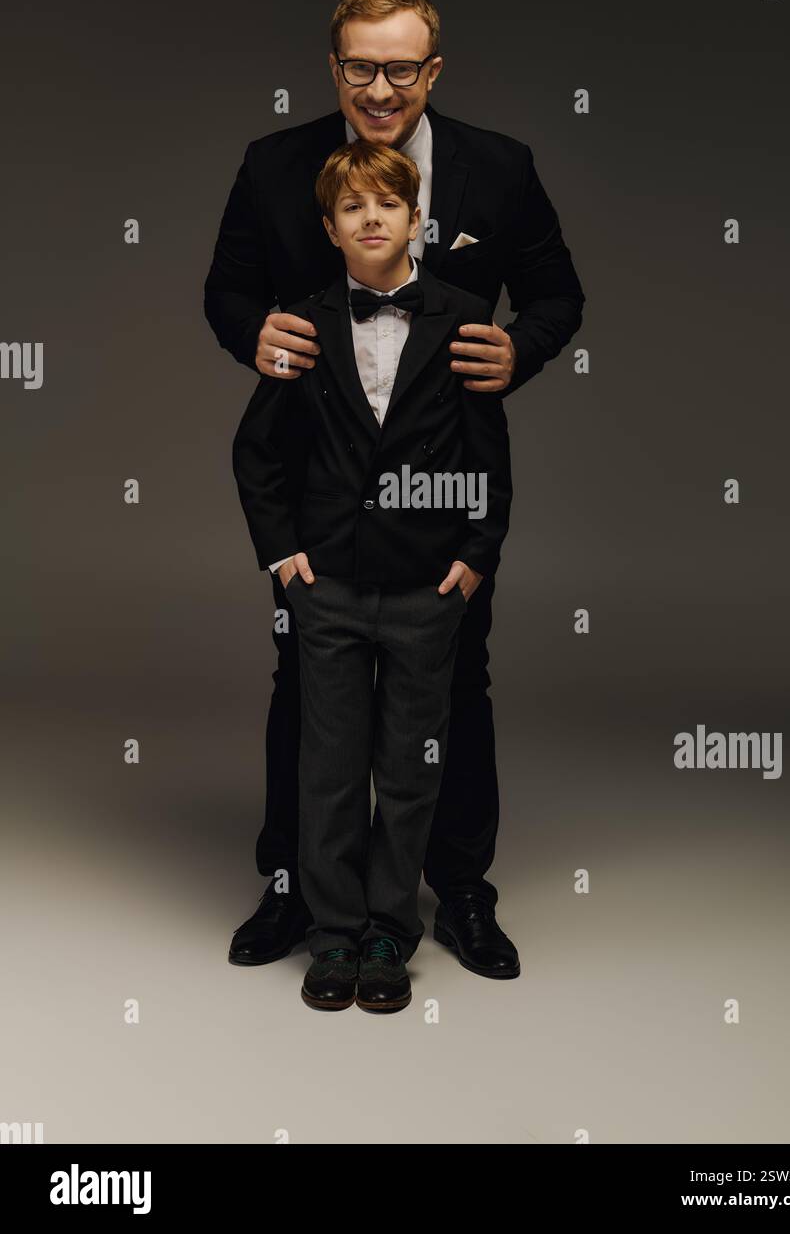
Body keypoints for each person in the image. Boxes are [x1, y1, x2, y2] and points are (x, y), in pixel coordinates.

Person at [204, 0, 585, 979]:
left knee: (459, 680)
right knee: (306, 687)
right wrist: (253, 330)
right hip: (319, 484)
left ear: (433, 69)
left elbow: (554, 294)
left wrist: (519, 351)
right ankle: (295, 885)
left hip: (443, 484)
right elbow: (227, 288)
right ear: (334, 68)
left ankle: (456, 885)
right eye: (360, 67)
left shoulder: (497, 170)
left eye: (400, 67)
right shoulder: (272, 164)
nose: (380, 87)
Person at [231, 139, 512, 1011]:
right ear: (330, 228)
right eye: (352, 209)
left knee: (411, 761)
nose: (372, 219)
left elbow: (487, 462)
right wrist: (284, 559)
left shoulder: (465, 318)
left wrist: (472, 560)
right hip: (330, 591)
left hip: (429, 590)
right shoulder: (304, 324)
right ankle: (334, 933)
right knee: (329, 763)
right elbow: (257, 454)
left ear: (416, 221)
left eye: (388, 205)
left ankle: (392, 929)